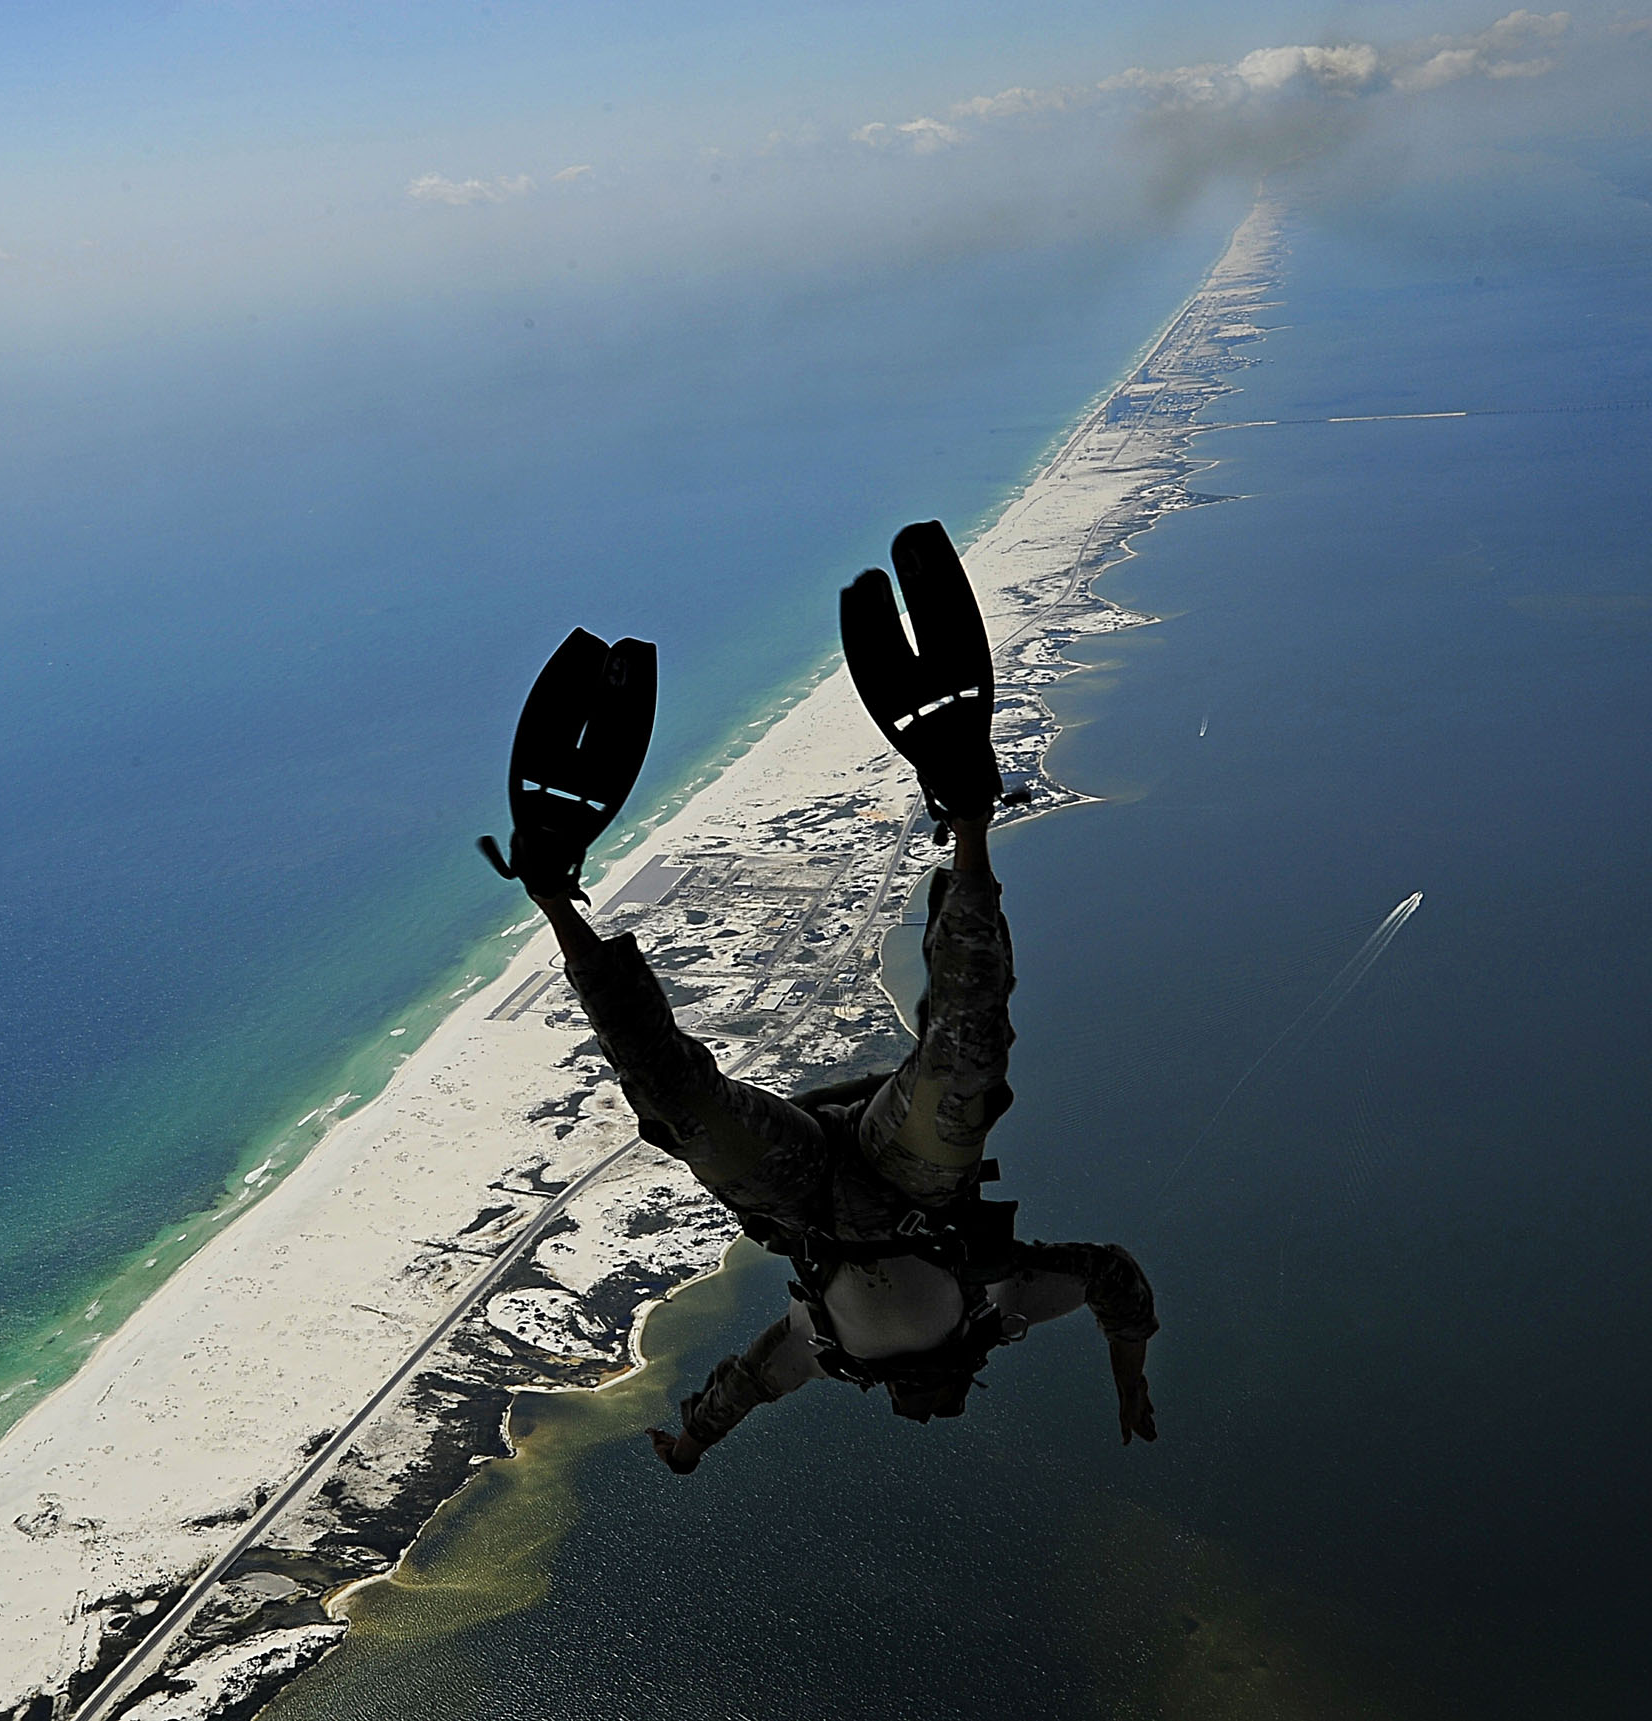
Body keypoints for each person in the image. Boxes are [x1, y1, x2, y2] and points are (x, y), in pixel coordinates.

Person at [481, 523, 1159, 1475]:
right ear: (967, 1362)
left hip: (804, 1198)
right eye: (946, 1396)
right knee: (965, 1050)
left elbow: (738, 1388)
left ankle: (555, 895)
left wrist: (690, 1441)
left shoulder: (827, 1350)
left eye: (917, 1401)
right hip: (910, 1178)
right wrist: (1130, 1376)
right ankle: (967, 814)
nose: (927, 1404)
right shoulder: (997, 1306)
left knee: (675, 1101)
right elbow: (1115, 1281)